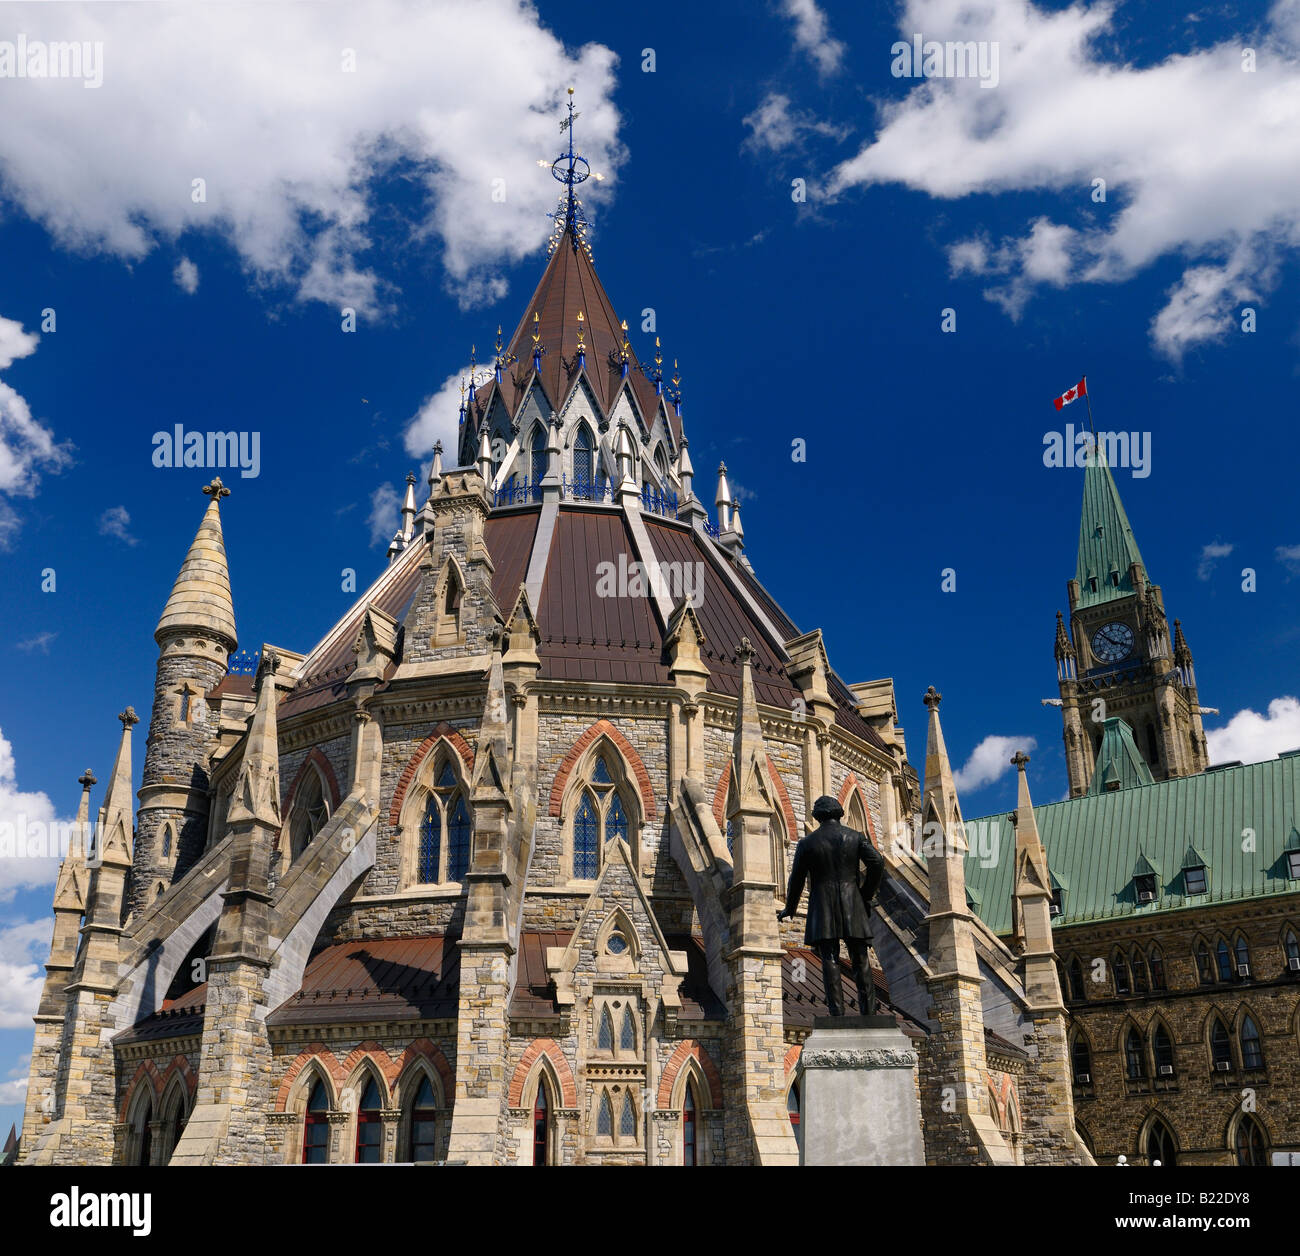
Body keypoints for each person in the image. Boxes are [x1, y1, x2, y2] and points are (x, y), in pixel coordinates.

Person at [778, 795, 885, 1016]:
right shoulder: (855, 837)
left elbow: (796, 878)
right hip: (852, 901)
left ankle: (837, 1013)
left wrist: (790, 907)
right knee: (860, 957)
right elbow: (877, 862)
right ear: (839, 813)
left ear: (817, 817)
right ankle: (869, 1013)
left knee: (829, 958)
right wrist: (864, 894)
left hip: (822, 905)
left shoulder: (807, 843)